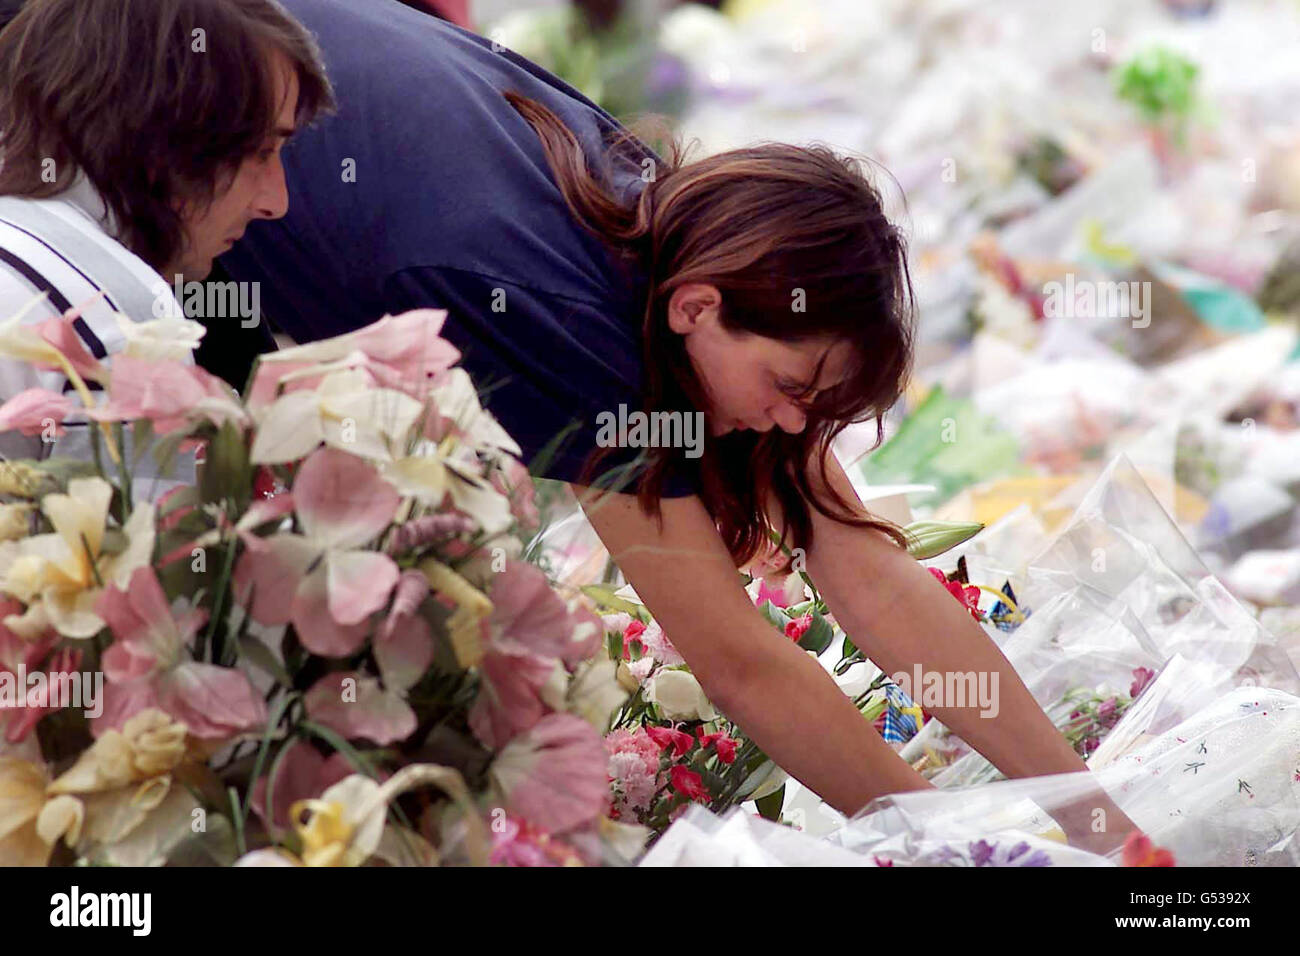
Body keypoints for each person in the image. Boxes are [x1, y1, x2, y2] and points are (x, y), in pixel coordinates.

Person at [221, 0, 1140, 850]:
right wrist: (961, 856)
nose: (791, 423)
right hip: (149, 125)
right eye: (789, 386)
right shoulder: (576, 326)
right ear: (700, 309)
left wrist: (1101, 826)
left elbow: (870, 569)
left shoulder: (670, 222)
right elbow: (740, 663)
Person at [0, 0, 332, 465]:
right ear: (161, 136)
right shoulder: (117, 323)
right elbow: (124, 537)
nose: (276, 203)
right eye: (259, 151)